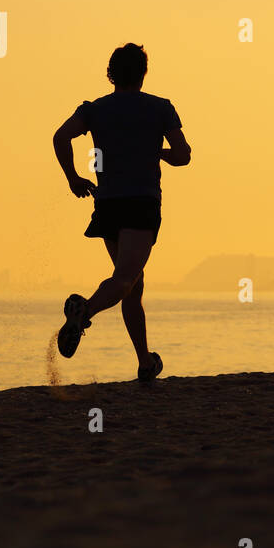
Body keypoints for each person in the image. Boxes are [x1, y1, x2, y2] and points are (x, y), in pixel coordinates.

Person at [51, 43, 191, 381]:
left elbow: (60, 137)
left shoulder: (94, 110)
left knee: (133, 284)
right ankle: (84, 311)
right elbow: (183, 154)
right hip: (141, 204)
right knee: (125, 279)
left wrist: (73, 179)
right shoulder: (160, 109)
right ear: (143, 74)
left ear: (112, 74)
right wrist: (156, 151)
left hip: (108, 204)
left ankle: (145, 362)